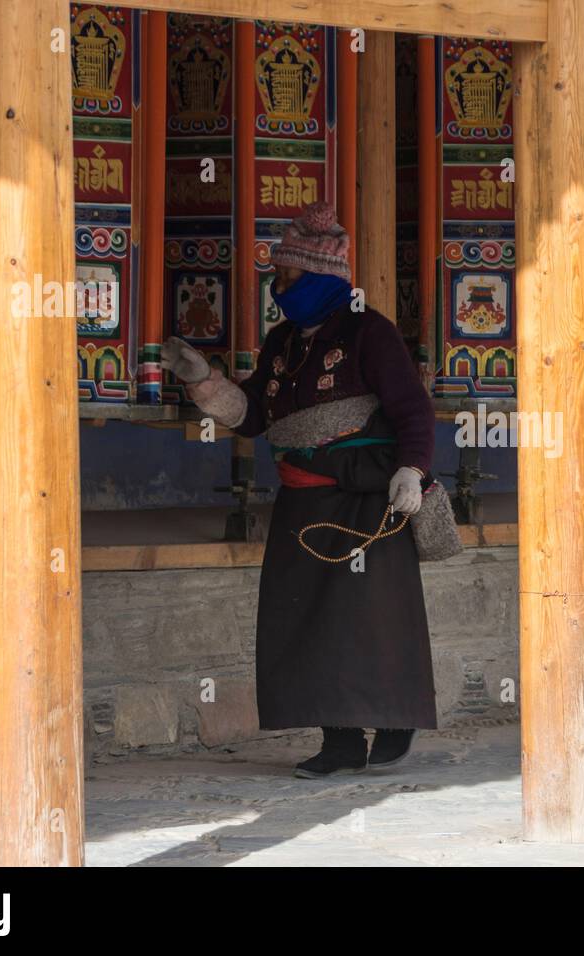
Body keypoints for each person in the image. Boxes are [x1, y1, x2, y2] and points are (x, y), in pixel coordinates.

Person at [161, 201, 438, 778]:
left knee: (372, 621)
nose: (278, 287)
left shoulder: (370, 331)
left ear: (319, 277)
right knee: (309, 623)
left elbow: (412, 409)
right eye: (277, 278)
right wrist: (202, 382)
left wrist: (412, 469)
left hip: (364, 498)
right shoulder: (283, 341)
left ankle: (393, 717)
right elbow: (256, 414)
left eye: (287, 278)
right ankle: (338, 743)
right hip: (301, 499)